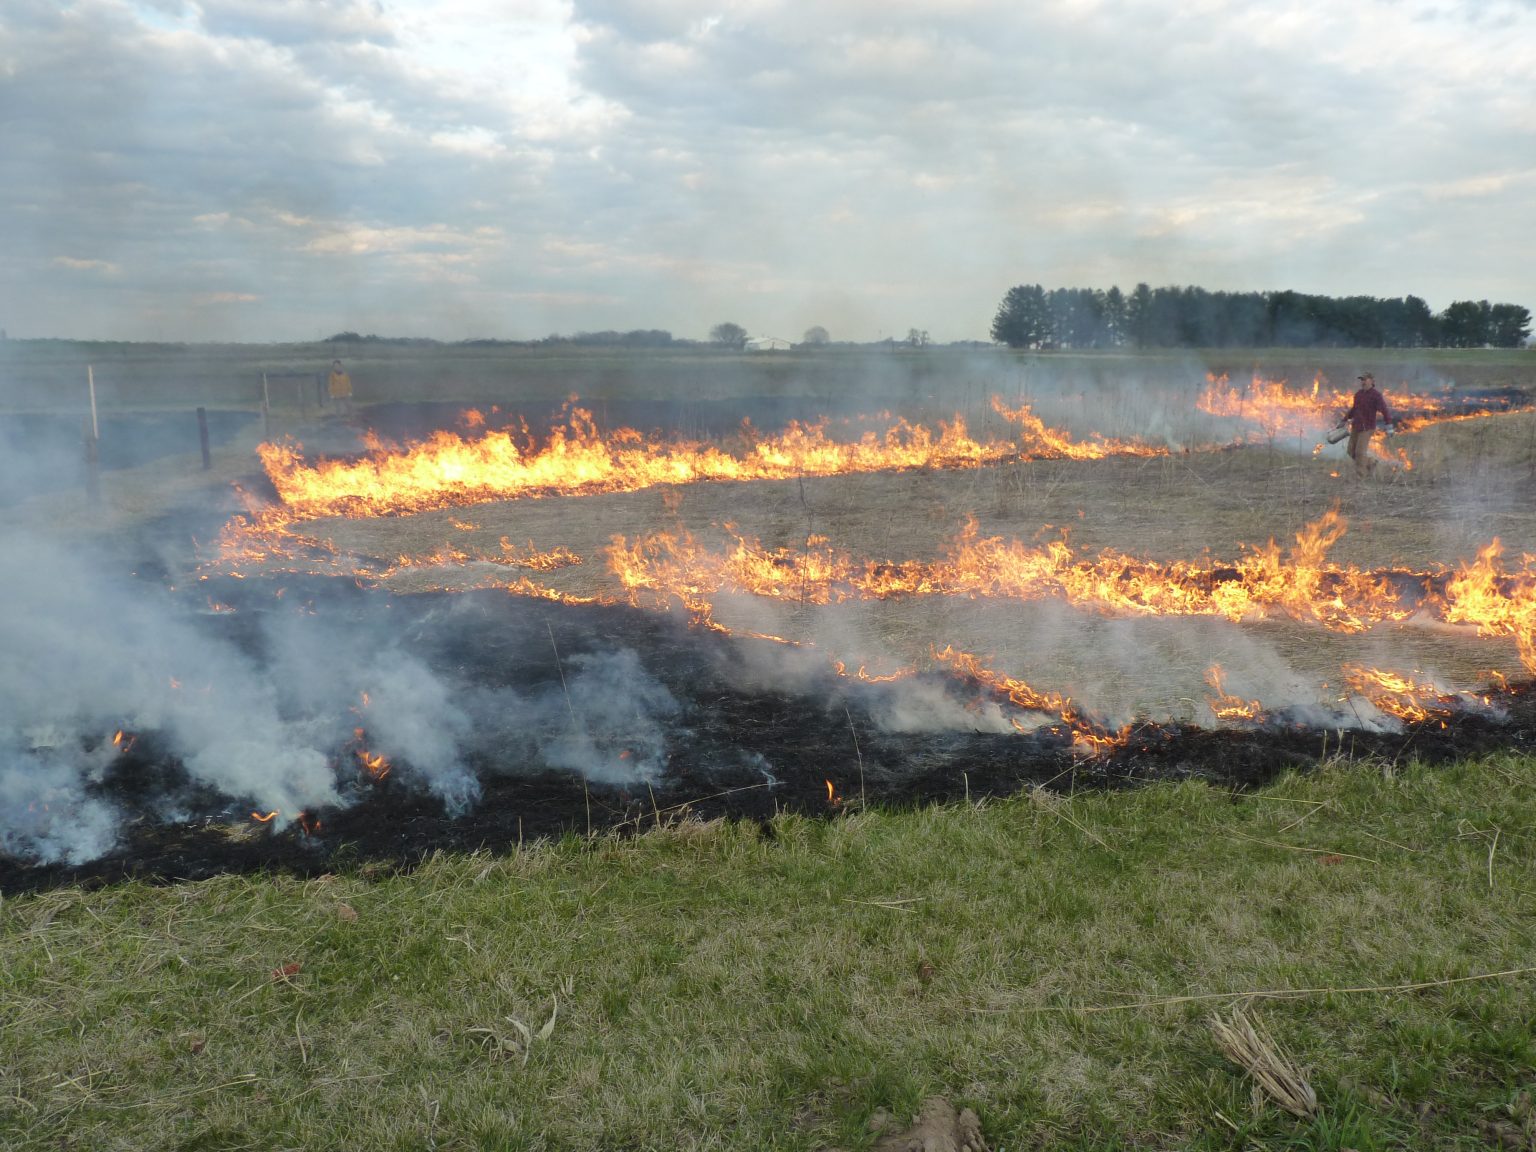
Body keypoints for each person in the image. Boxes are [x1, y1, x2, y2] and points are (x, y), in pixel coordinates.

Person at [1340, 372, 1394, 478]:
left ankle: (1361, 476)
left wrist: (1389, 426)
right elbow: (1354, 409)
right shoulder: (1358, 394)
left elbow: (1384, 410)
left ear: (1372, 381)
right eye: (1362, 380)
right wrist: (1344, 420)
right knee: (1351, 451)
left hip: (1367, 428)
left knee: (1360, 453)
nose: (1363, 382)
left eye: (1365, 379)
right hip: (1356, 426)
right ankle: (1372, 462)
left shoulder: (1376, 395)